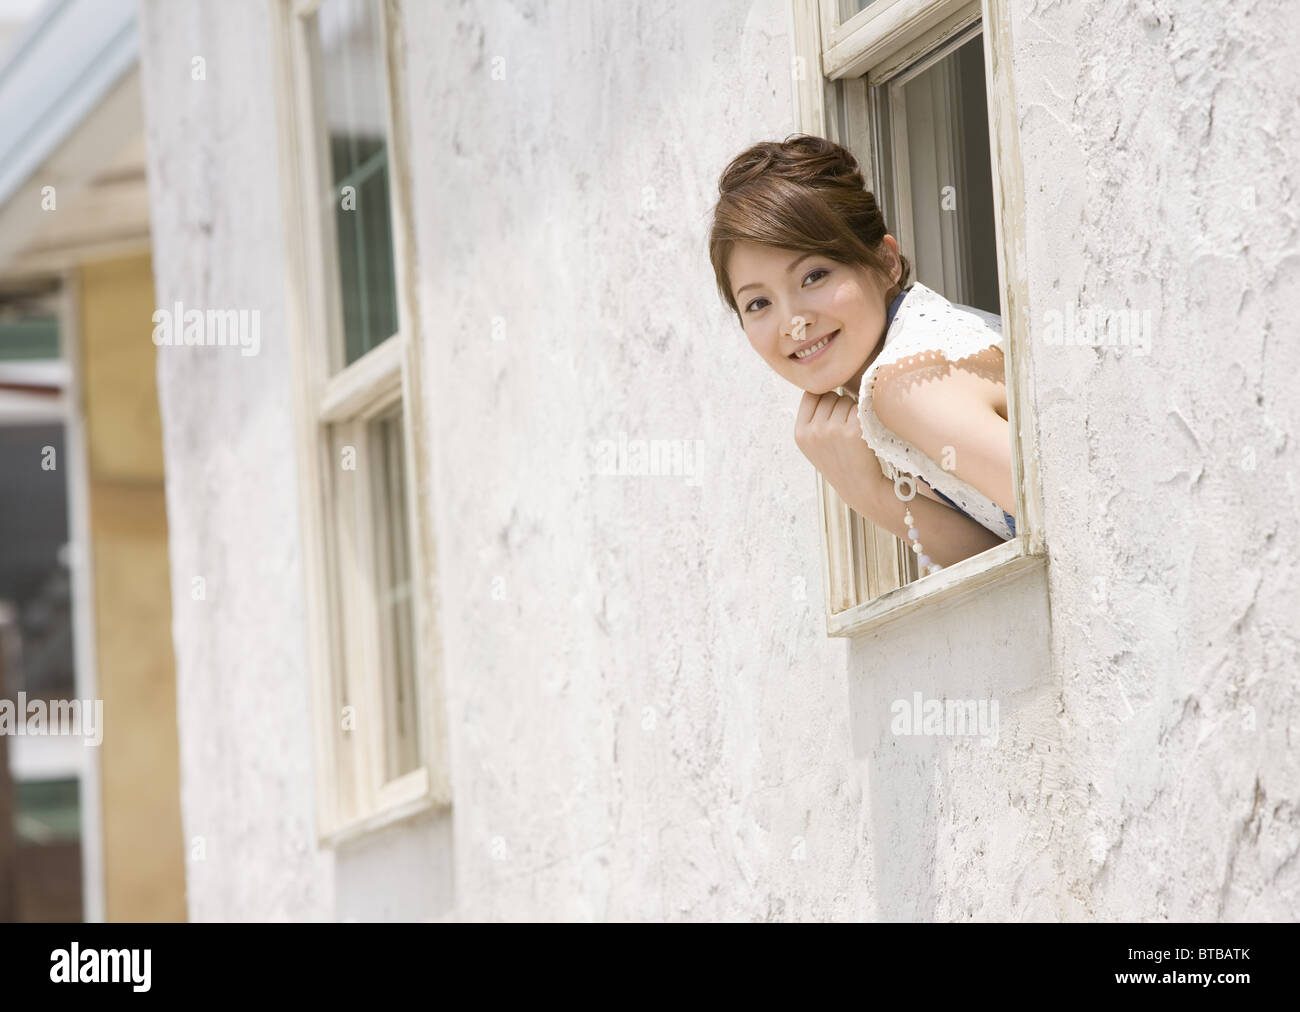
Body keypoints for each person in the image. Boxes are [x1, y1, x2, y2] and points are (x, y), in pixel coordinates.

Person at [708, 133, 1017, 569]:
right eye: (758, 303)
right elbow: (1004, 561)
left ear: (886, 262)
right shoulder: (901, 369)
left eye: (814, 276)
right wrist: (866, 491)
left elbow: (1074, 512)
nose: (793, 321)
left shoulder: (908, 382)